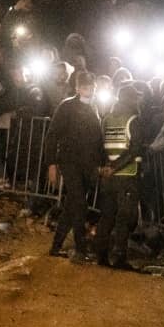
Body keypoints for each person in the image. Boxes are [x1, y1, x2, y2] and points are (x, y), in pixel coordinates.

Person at [44, 72, 105, 260]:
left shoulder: (94, 109)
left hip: (87, 165)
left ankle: (56, 246)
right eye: (86, 87)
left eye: (91, 87)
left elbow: (97, 140)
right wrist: (52, 163)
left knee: (72, 206)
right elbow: (52, 135)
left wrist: (99, 164)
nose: (89, 91)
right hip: (70, 162)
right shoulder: (67, 107)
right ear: (78, 88)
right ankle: (80, 247)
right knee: (79, 203)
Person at [95, 83, 149, 270]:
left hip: (108, 177)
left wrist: (104, 168)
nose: (138, 100)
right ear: (131, 99)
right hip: (127, 175)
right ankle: (119, 257)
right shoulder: (133, 120)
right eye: (136, 97)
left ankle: (100, 255)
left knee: (107, 216)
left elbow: (101, 146)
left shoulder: (107, 119)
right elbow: (135, 150)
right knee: (125, 218)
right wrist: (116, 167)